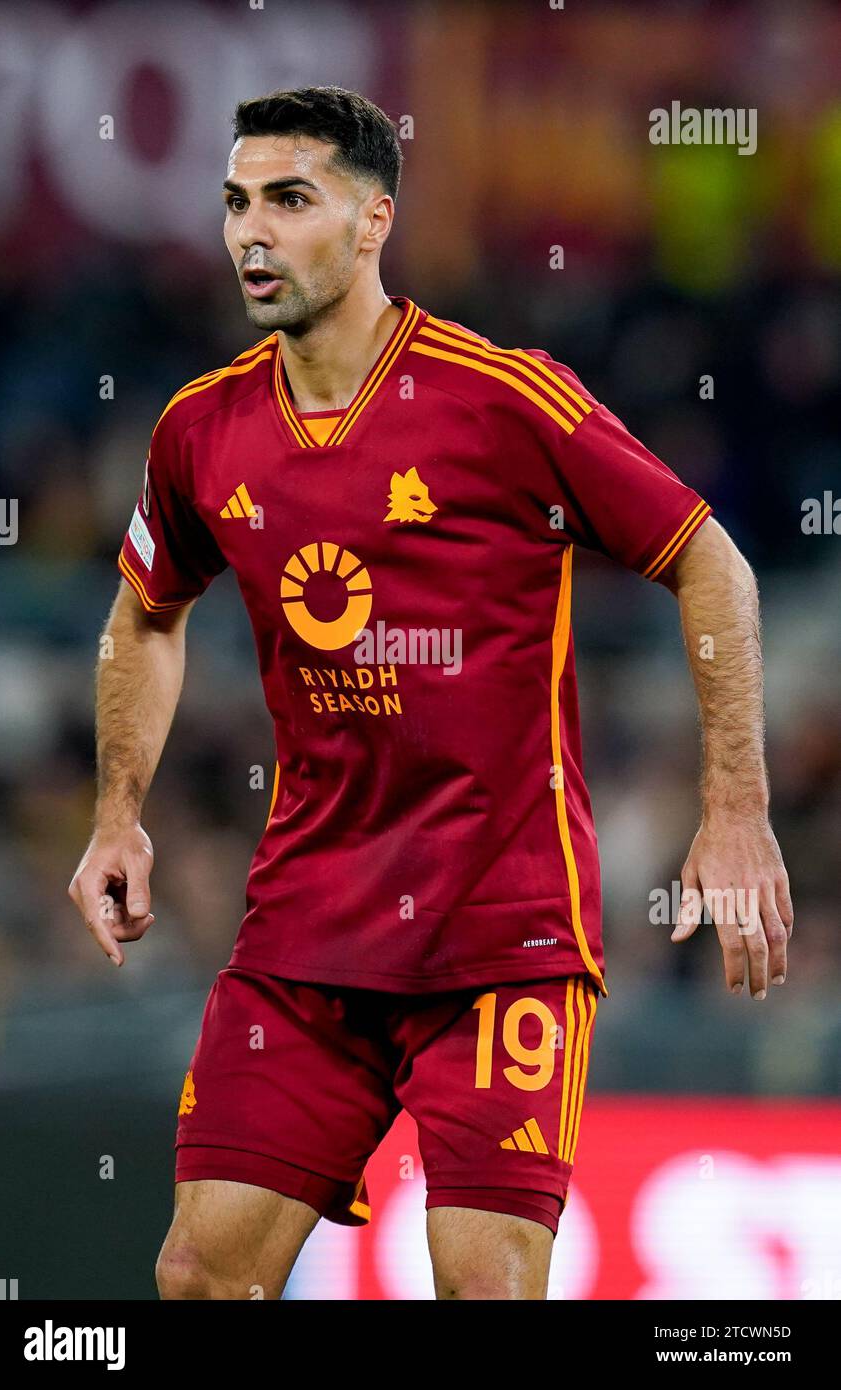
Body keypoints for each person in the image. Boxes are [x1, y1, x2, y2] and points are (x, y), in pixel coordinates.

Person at [68, 86, 793, 1301]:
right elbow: (146, 610)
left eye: (292, 201)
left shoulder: (505, 398)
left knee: (484, 1287)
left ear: (373, 222)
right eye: (238, 201)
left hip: (499, 932)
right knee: (197, 1275)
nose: (252, 232)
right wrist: (115, 812)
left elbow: (708, 558)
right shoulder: (202, 429)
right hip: (304, 934)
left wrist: (735, 804)